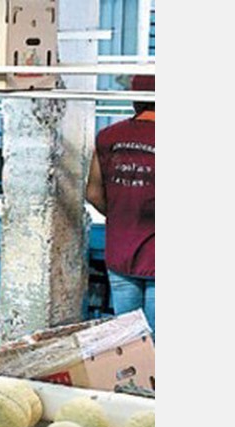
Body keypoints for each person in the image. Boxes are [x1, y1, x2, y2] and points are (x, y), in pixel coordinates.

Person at [86, 74, 155, 337]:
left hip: (119, 252)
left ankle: (132, 379)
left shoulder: (108, 137)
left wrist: (120, 216)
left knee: (129, 342)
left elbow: (92, 192)